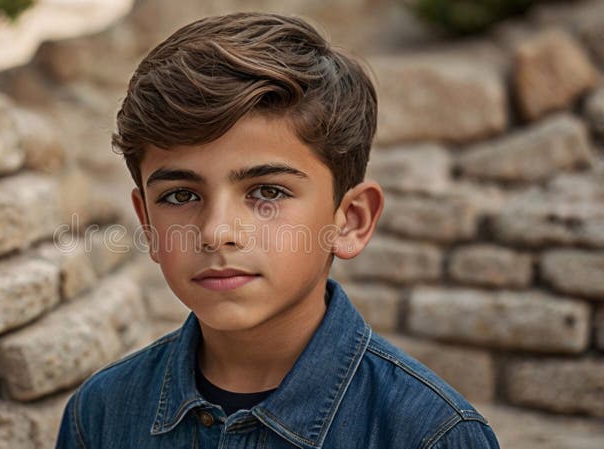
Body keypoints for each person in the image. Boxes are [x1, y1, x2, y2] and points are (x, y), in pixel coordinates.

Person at [56, 11, 501, 449]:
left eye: (266, 191)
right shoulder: (98, 416)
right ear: (148, 225)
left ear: (350, 220)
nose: (216, 232)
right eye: (180, 196)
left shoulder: (432, 435)